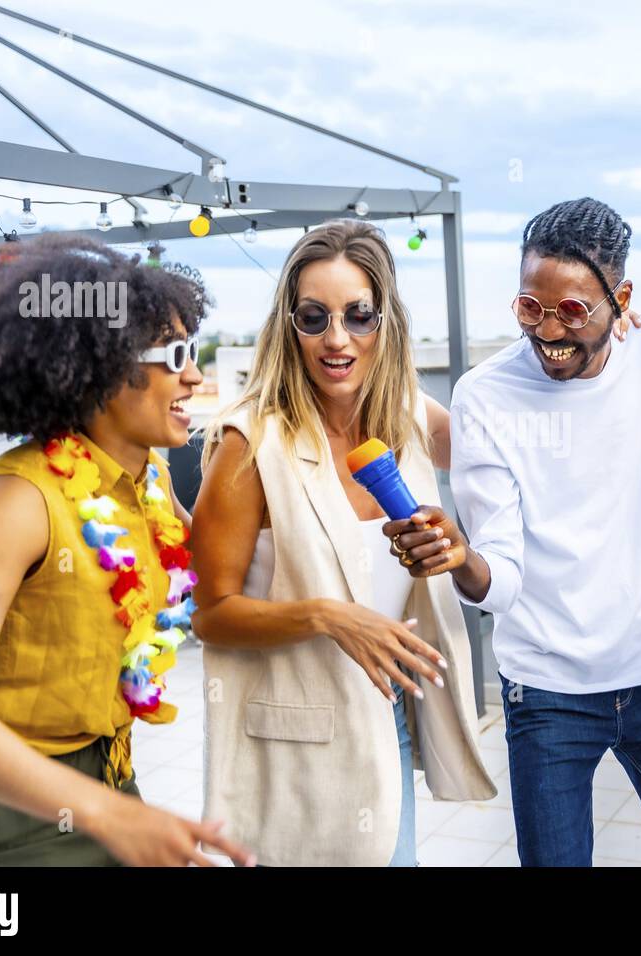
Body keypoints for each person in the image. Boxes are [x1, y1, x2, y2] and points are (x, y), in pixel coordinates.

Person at [387, 197, 641, 867]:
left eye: (575, 311)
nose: (549, 331)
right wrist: (462, 559)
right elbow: (500, 574)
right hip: (545, 694)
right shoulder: (485, 395)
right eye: (531, 308)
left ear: (623, 299)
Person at [0, 234, 252, 866]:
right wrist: (102, 812)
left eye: (192, 350)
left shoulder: (151, 483)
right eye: (174, 354)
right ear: (102, 365)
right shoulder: (11, 501)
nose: (194, 374)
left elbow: (219, 568)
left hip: (110, 779)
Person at [192, 218, 495, 867]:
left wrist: (454, 543)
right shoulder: (249, 446)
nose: (337, 339)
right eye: (314, 317)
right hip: (291, 748)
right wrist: (330, 617)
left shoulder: (411, 417)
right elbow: (211, 616)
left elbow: (510, 459)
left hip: (386, 725)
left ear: (386, 321)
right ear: (288, 324)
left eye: (359, 316)